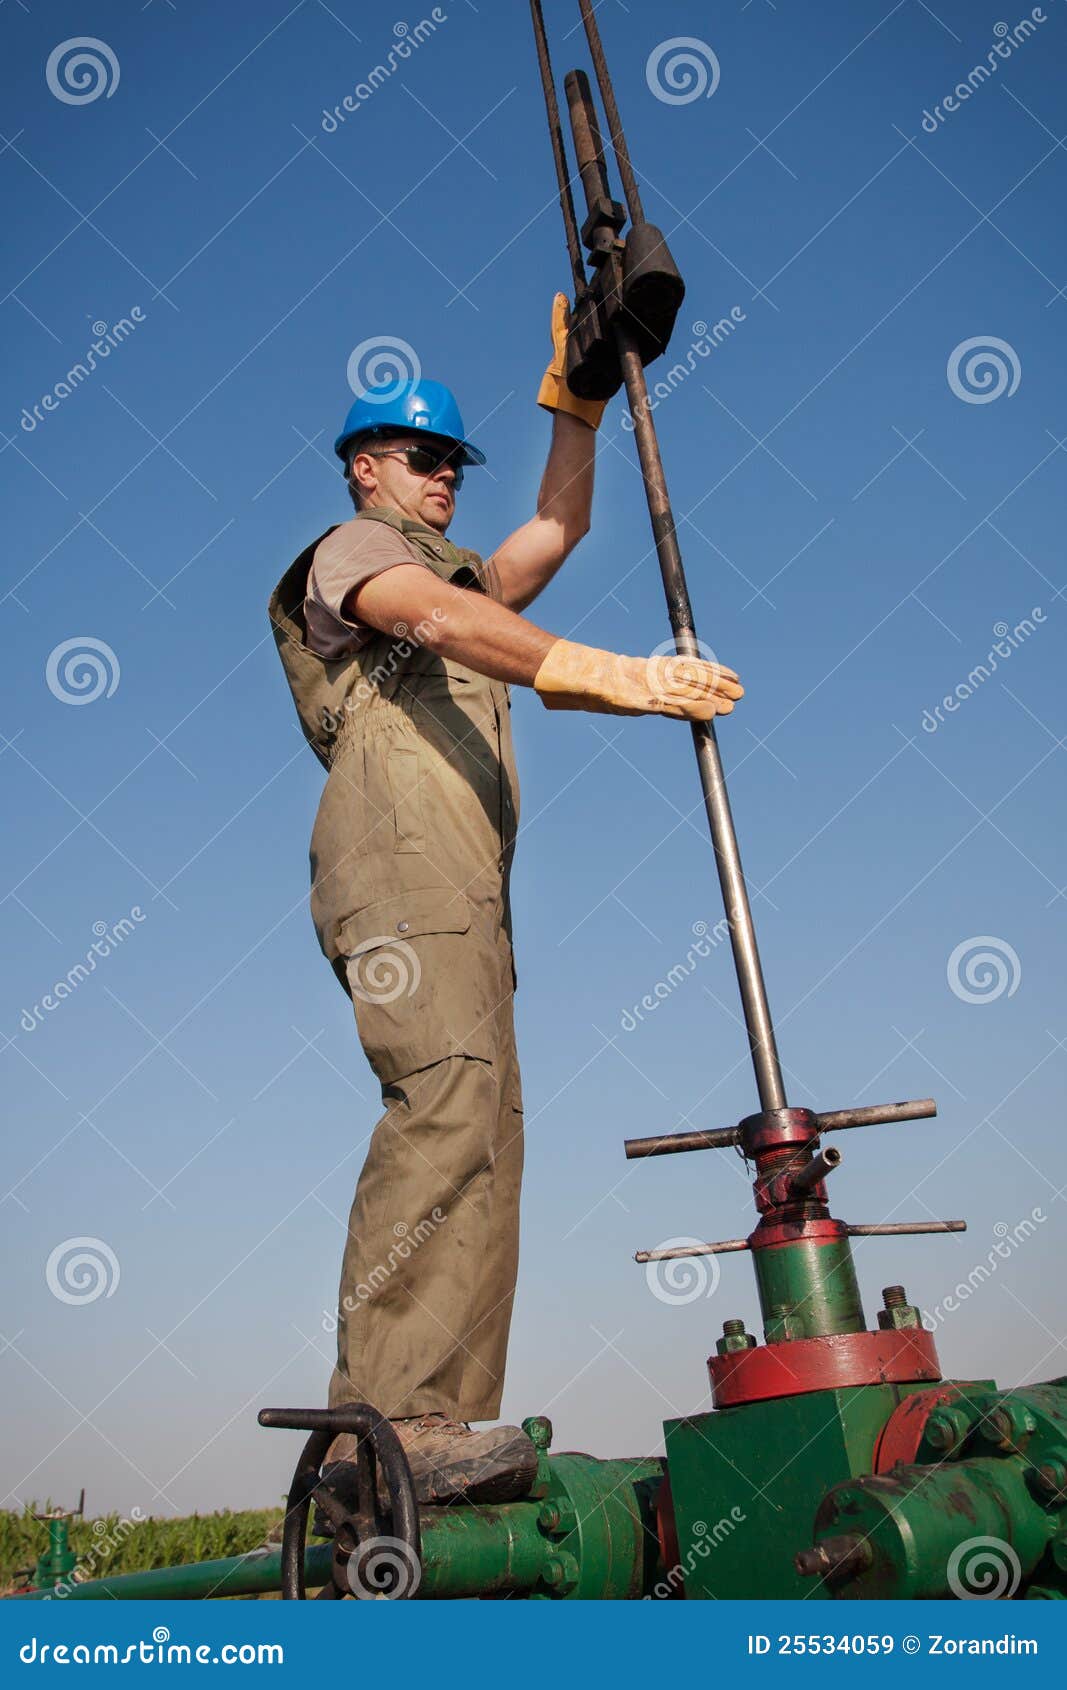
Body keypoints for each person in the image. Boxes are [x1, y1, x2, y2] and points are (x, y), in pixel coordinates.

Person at [268, 296, 743, 1506]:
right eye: (419, 456)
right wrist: (608, 673)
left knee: (485, 1130)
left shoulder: (459, 574)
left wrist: (573, 401)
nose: (441, 476)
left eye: (451, 462)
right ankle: (374, 1424)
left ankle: (432, 1426)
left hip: (468, 890)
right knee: (442, 1106)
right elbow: (433, 617)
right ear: (364, 465)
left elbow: (554, 526)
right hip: (399, 871)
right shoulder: (351, 552)